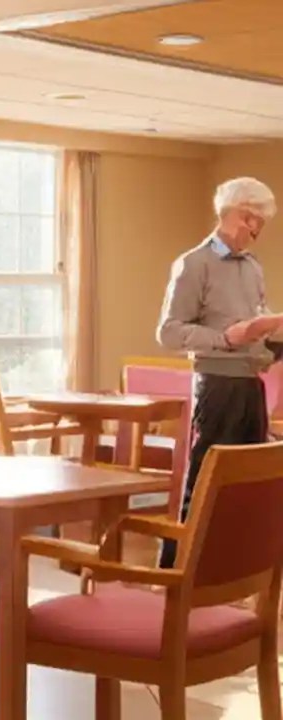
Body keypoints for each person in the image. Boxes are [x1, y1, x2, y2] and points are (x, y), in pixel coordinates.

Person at [156, 176, 283, 567]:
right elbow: (168, 332)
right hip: (217, 386)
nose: (257, 231)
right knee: (206, 484)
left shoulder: (252, 266)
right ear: (241, 215)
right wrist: (225, 338)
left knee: (251, 485)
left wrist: (270, 330)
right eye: (255, 221)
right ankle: (177, 573)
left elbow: (254, 321)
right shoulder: (194, 264)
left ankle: (237, 572)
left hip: (250, 385)